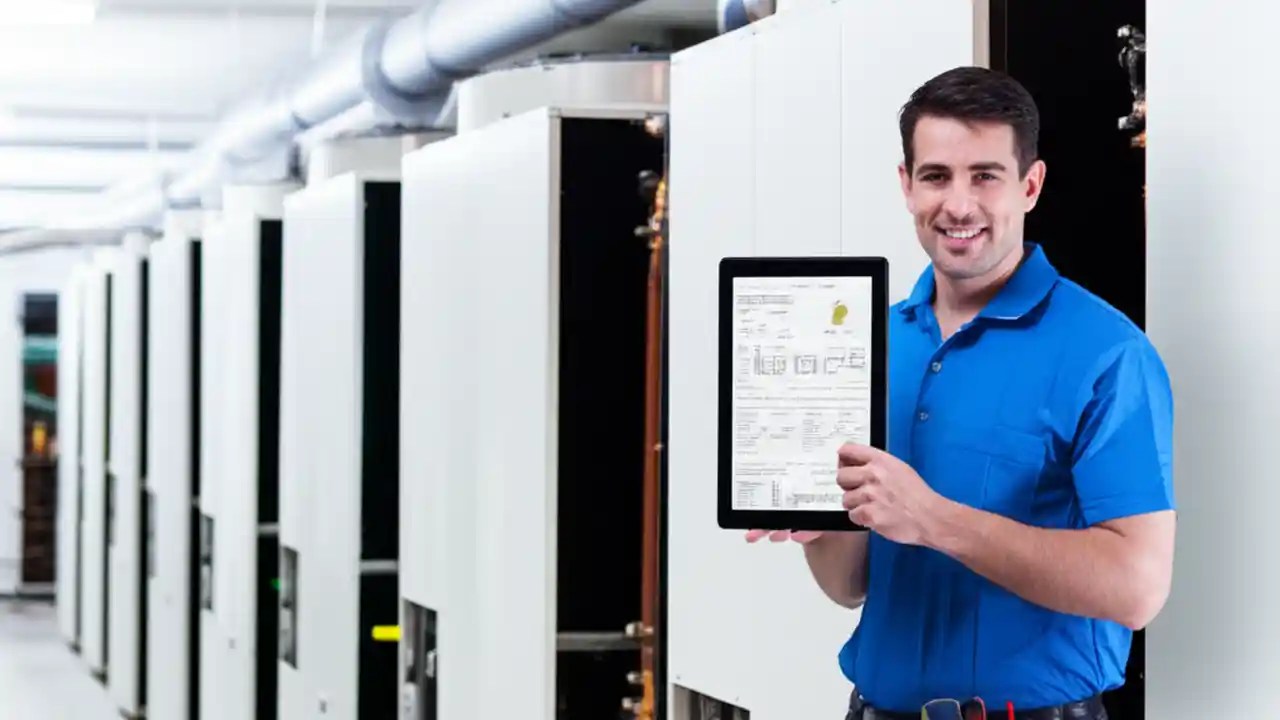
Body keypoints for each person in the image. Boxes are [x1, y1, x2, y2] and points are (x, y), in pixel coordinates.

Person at [746, 66, 1176, 719]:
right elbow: (849, 584)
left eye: (985, 175)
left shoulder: (1107, 354)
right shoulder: (868, 343)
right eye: (936, 176)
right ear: (906, 185)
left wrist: (932, 519)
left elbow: (1136, 587)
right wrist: (818, 525)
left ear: (1029, 187)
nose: (959, 203)